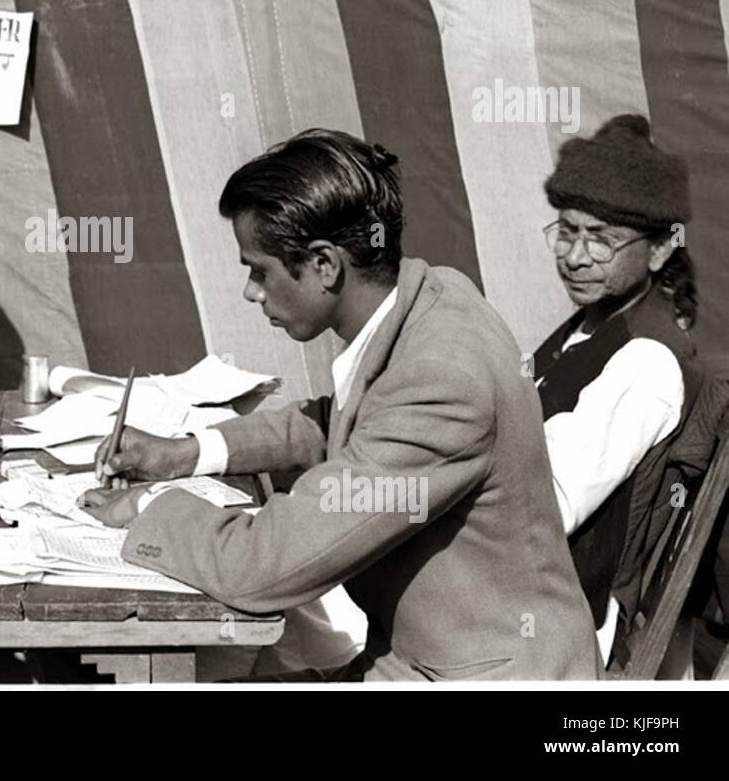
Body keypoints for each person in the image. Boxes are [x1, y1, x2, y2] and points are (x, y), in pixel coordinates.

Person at [81, 129, 599, 681]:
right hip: (427, 658)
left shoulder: (444, 380)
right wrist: (188, 453)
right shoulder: (432, 297)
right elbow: (344, 417)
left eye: (260, 270)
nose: (250, 292)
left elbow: (267, 566)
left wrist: (147, 506)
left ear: (325, 264)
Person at [532, 113, 703, 668]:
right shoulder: (585, 329)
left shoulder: (647, 362)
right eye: (567, 231)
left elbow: (549, 503)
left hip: (559, 623)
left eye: (601, 239)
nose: (576, 256)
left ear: (657, 252)